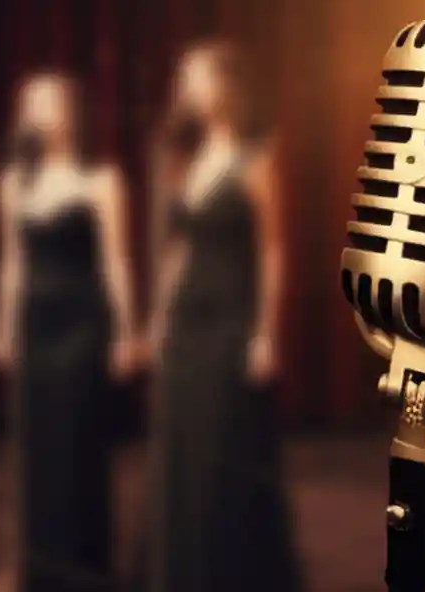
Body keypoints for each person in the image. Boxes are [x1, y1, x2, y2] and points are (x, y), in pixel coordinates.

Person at [143, 41, 302, 591]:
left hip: (230, 319)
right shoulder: (186, 161)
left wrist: (265, 335)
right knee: (180, 450)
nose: (189, 90)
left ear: (227, 86)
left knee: (221, 453)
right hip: (186, 321)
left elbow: (273, 253)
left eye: (199, 78)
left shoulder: (258, 157)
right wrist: (159, 319)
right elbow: (178, 250)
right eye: (184, 80)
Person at [0, 72, 137, 591]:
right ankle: (44, 569)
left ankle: (87, 569)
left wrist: (125, 332)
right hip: (34, 325)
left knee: (80, 444)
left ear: (73, 112)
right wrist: (2, 330)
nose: (43, 113)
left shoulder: (102, 181)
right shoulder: (12, 183)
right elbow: (11, 264)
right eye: (33, 104)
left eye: (51, 102)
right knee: (38, 449)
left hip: (81, 326)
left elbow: (116, 264)